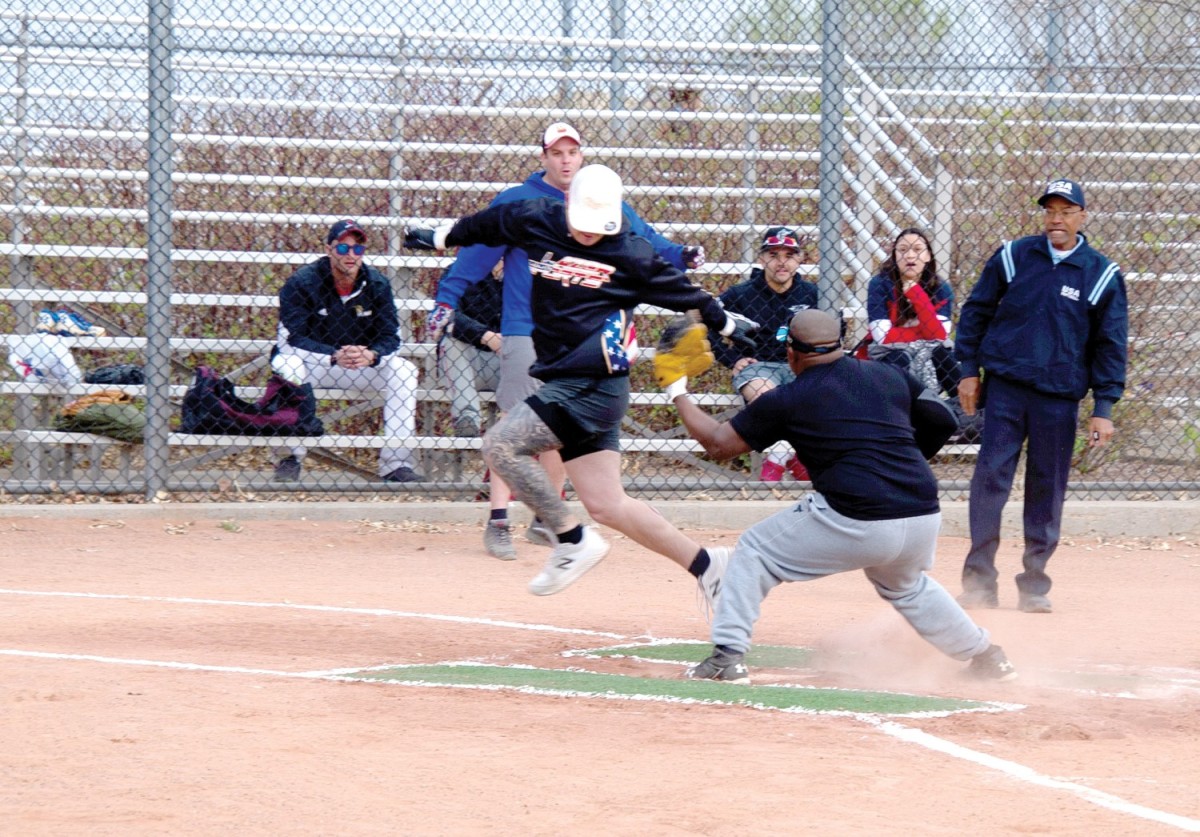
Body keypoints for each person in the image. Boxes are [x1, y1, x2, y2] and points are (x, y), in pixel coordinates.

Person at [405, 163, 757, 605]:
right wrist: (440, 238)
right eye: (582, 224)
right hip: (570, 382)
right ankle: (708, 567)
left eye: (599, 226)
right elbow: (487, 224)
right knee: (608, 504)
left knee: (500, 445)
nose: (590, 234)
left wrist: (725, 325)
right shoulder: (534, 216)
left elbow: (689, 294)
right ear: (566, 204)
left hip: (593, 385)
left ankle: (570, 540)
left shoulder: (629, 252)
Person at [665, 308, 1017, 684]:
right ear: (841, 346)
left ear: (792, 354)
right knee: (906, 585)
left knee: (753, 550)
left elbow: (719, 444)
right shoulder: (889, 375)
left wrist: (677, 389)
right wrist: (902, 460)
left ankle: (726, 658)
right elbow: (943, 420)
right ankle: (986, 657)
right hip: (921, 513)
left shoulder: (789, 396)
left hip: (857, 516)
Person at [425, 121, 705, 557]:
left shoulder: (600, 200)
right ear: (544, 158)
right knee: (514, 424)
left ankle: (548, 520)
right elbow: (476, 253)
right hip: (526, 327)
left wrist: (679, 255)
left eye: (572, 151)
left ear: (581, 156)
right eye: (556, 152)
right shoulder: (521, 202)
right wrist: (447, 298)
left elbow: (645, 243)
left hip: (582, 338)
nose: (565, 159)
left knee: (555, 430)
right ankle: (499, 519)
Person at [955, 179, 1128, 614]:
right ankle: (979, 582)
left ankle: (1034, 584)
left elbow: (1110, 344)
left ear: (1082, 217)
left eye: (1067, 211)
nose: (1057, 219)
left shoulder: (1101, 274)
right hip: (1006, 391)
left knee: (1047, 488)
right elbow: (976, 311)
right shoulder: (1014, 257)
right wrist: (967, 371)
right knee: (989, 481)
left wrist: (1103, 408)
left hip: (1058, 398)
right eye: (1050, 211)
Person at [270, 219, 422, 483]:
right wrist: (332, 354)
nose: (350, 255)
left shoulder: (377, 284)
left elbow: (392, 337)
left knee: (405, 371)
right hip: (315, 366)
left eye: (357, 249)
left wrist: (372, 354)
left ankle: (396, 464)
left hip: (360, 366)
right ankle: (288, 457)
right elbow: (289, 340)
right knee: (288, 364)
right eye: (343, 249)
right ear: (329, 249)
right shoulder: (302, 282)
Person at [708, 225, 817, 481]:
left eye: (789, 255)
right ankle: (790, 458)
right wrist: (732, 359)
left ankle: (779, 458)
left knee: (814, 396)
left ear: (800, 259)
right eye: (773, 255)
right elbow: (708, 326)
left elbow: (837, 329)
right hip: (758, 366)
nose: (781, 263)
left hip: (799, 368)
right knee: (769, 398)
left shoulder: (813, 294)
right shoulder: (741, 294)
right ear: (761, 258)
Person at [865, 227, 959, 398]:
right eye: (902, 250)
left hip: (929, 350)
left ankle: (967, 415)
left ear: (928, 256)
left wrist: (916, 295)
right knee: (899, 357)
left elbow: (938, 336)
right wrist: (922, 333)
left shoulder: (941, 288)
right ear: (894, 256)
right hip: (887, 352)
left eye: (917, 249)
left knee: (944, 356)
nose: (909, 255)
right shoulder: (879, 284)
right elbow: (883, 338)